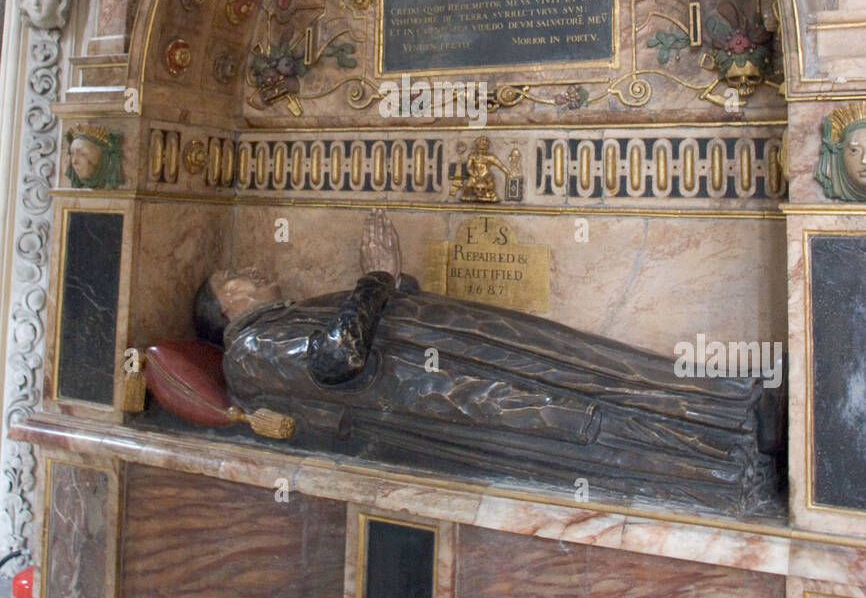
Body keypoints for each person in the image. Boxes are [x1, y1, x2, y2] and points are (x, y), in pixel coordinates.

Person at [187, 211, 783, 517]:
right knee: (586, 407)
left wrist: (387, 283)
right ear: (226, 304)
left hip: (456, 347)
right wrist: (375, 275)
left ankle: (731, 407)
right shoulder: (249, 348)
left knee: (591, 365)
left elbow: (358, 327)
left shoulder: (278, 321)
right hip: (447, 383)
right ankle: (725, 449)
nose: (252, 271)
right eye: (235, 275)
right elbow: (336, 357)